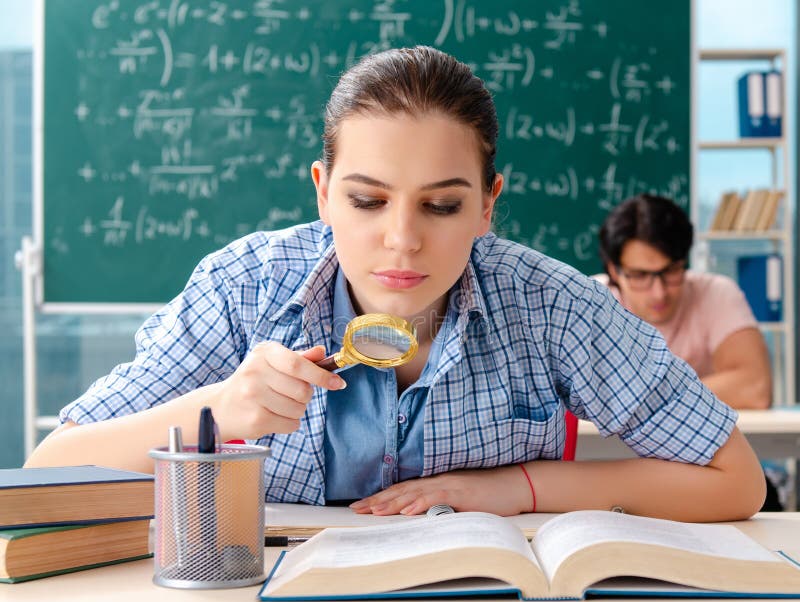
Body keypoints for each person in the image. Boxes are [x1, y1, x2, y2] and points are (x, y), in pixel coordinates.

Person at [26, 46, 765, 522]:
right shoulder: (241, 290)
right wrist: (216, 408)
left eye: (443, 205)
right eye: (367, 200)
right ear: (321, 193)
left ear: (488, 202)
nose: (403, 239)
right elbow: (48, 470)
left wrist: (518, 489)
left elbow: (737, 479)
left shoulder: (550, 304)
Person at [596, 193, 781, 509]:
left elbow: (753, 387)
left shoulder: (716, 292)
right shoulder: (591, 301)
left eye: (671, 271)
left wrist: (631, 399)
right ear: (614, 270)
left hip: (709, 470)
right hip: (613, 476)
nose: (659, 292)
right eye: (640, 276)